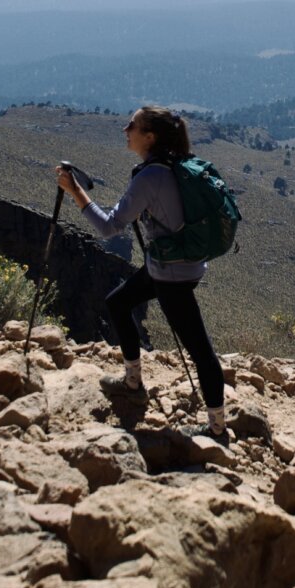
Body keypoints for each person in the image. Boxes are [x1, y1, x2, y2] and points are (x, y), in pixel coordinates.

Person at [58, 106, 230, 444]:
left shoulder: (151, 176)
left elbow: (109, 227)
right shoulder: (175, 164)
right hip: (177, 265)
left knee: (200, 350)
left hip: (171, 275)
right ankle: (133, 384)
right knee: (119, 303)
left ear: (149, 136)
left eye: (132, 125)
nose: (125, 129)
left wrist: (75, 191)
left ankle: (218, 430)